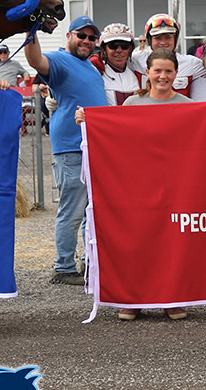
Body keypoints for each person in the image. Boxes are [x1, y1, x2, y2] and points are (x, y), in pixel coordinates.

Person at [79, 49, 192, 322]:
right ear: (148, 74)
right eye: (158, 70)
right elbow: (115, 136)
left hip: (175, 185)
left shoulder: (188, 105)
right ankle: (133, 298)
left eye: (168, 71)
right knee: (139, 240)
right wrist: (88, 121)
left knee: (171, 242)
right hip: (138, 184)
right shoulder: (132, 103)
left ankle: (170, 298)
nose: (163, 76)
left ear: (177, 74)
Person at [24, 16, 107, 285]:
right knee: (72, 210)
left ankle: (88, 262)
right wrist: (31, 30)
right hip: (72, 148)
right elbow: (36, 61)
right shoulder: (59, 60)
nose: (86, 41)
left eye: (91, 38)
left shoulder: (90, 67)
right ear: (69, 36)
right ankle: (63, 267)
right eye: (81, 36)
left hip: (93, 146)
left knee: (90, 211)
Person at [130, 14, 204, 95]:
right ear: (149, 40)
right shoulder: (136, 59)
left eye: (168, 37)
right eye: (157, 38)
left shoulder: (191, 63)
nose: (163, 42)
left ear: (175, 39)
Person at [89, 23, 140, 105]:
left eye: (124, 45)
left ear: (130, 49)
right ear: (104, 49)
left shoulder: (139, 72)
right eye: (113, 46)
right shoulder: (95, 73)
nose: (119, 50)